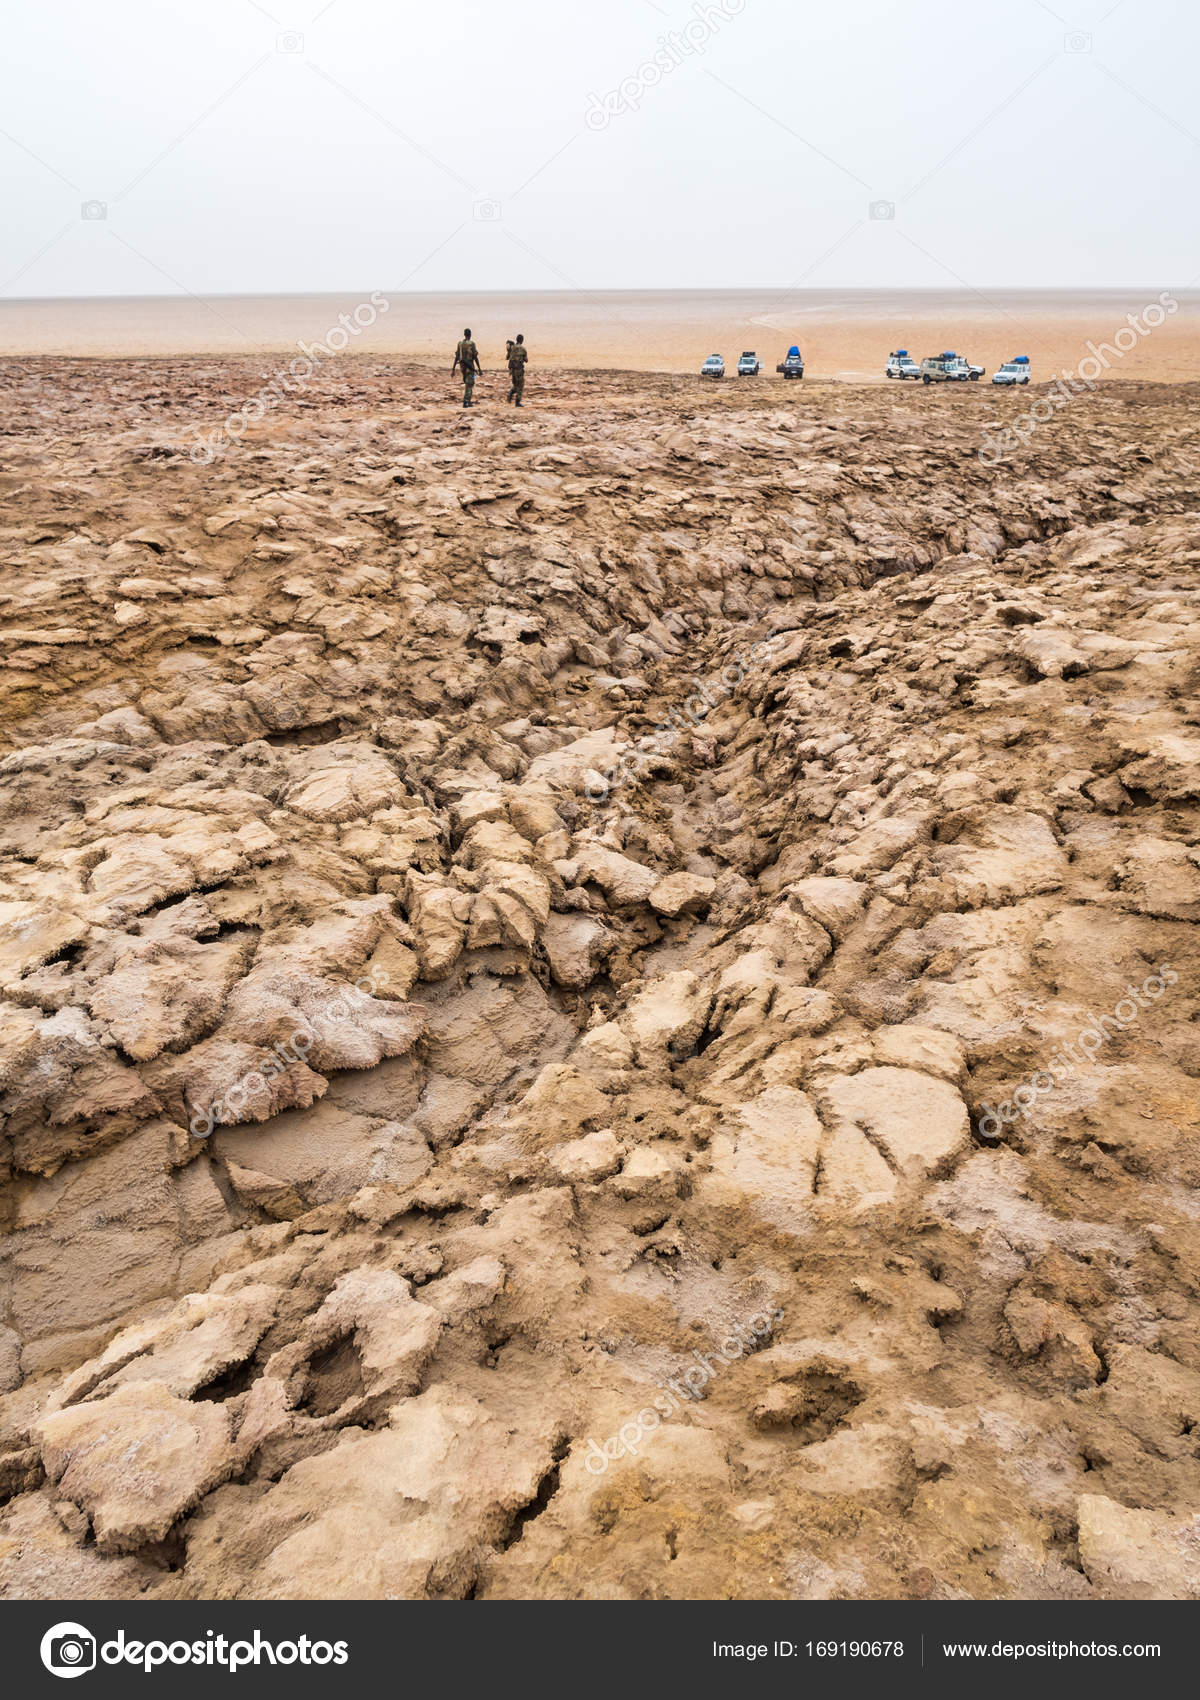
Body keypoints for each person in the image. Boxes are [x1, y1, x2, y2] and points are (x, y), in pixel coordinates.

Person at [452, 328, 482, 407]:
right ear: (470, 335)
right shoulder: (472, 343)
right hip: (470, 366)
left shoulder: (460, 344)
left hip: (462, 367)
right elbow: (475, 357)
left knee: (468, 382)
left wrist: (453, 369)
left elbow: (457, 356)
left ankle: (468, 400)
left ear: (464, 334)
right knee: (470, 383)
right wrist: (479, 368)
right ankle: (466, 401)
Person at [507, 333, 528, 406]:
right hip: (519, 369)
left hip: (512, 369)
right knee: (520, 385)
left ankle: (510, 393)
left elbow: (508, 357)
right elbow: (526, 360)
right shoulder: (523, 349)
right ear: (522, 340)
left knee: (515, 384)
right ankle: (517, 402)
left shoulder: (512, 348)